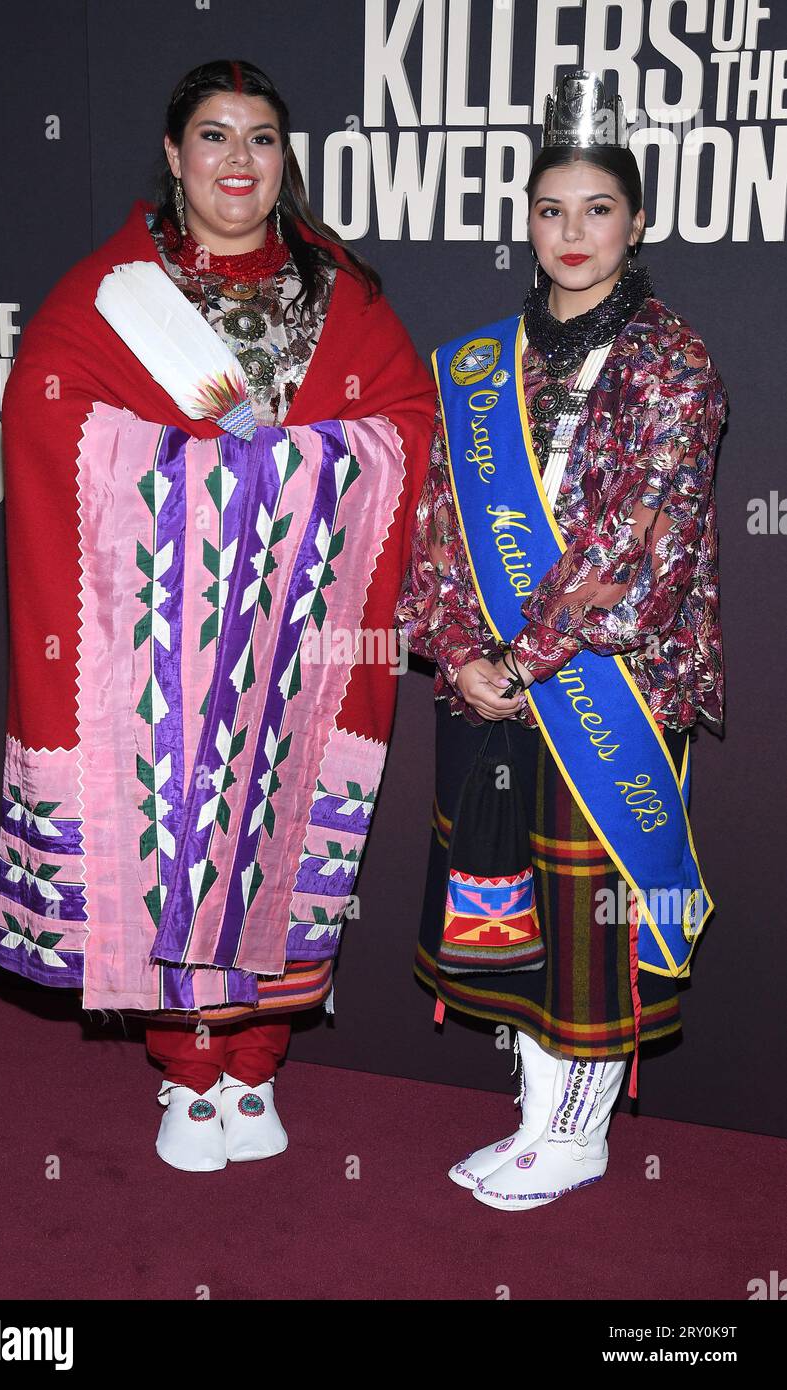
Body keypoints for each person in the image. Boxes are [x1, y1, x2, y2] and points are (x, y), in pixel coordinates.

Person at [0, 58, 435, 1172]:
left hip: (301, 632)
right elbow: (50, 413)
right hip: (161, 647)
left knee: (280, 830)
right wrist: (211, 481)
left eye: (260, 138)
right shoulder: (116, 291)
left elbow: (404, 424)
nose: (238, 160)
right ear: (175, 156)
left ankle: (257, 1058)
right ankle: (188, 1069)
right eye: (214, 136)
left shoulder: (342, 291)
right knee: (178, 836)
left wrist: (284, 474)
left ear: (286, 161)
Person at [395, 70, 728, 1210]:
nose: (571, 232)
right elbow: (439, 524)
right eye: (549, 209)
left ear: (637, 223)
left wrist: (522, 661)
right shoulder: (478, 364)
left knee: (595, 912)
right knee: (523, 905)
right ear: (524, 223)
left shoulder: (673, 366)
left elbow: (639, 557)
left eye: (596, 208)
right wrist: (455, 649)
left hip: (607, 688)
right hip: (490, 688)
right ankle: (541, 1117)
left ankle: (579, 1132)